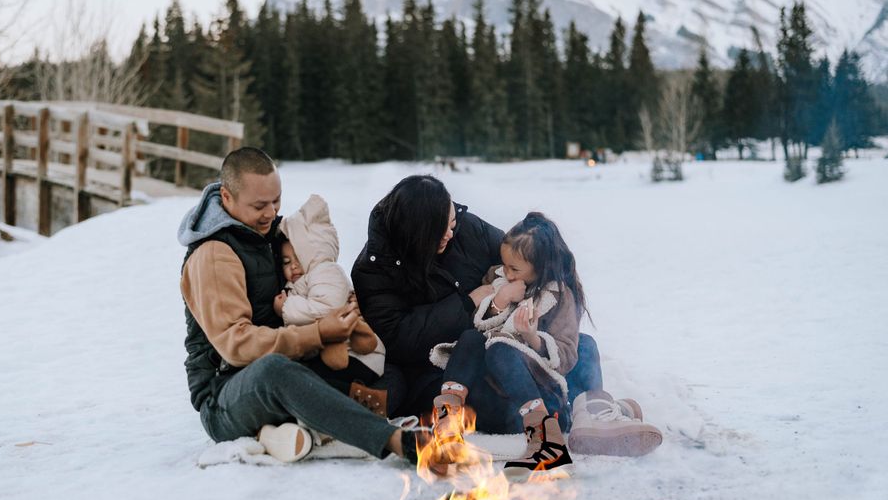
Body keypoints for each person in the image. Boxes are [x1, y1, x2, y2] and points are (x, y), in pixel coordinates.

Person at [351, 176, 651, 466]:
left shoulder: (467, 229)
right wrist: (473, 302)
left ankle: (594, 411)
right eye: (441, 231)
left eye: (453, 223)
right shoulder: (374, 271)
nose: (451, 234)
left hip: (502, 344)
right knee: (497, 367)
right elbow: (399, 338)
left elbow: (525, 257)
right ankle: (561, 417)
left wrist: (541, 306)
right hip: (445, 370)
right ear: (417, 233)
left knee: (580, 345)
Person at [178, 147, 423, 463]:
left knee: (387, 371)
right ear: (226, 198)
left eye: (276, 201)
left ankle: (298, 428)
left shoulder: (268, 233)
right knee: (275, 371)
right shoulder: (214, 255)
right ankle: (390, 439)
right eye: (259, 205)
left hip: (293, 363)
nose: (270, 212)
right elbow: (236, 346)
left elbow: (311, 275)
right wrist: (318, 333)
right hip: (227, 394)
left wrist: (339, 306)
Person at [428, 212, 662, 481]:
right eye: (504, 265)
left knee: (512, 348)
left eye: (515, 269)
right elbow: (479, 326)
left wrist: (532, 337)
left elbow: (565, 356)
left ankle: (552, 440)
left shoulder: (558, 298)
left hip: (542, 403)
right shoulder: (498, 281)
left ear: (541, 269)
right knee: (470, 339)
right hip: (494, 405)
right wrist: (499, 301)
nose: (506, 272)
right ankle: (448, 427)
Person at [274, 193, 387, 414]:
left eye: (299, 258)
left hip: (358, 355)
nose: (293, 267)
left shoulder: (326, 271)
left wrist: (286, 308)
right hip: (337, 353)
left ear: (314, 252)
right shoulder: (302, 281)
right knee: (307, 377)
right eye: (286, 262)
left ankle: (367, 406)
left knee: (315, 381)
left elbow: (327, 309)